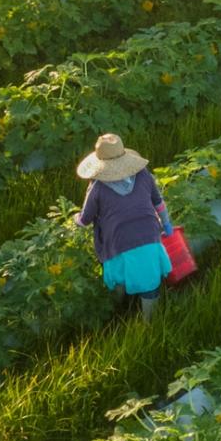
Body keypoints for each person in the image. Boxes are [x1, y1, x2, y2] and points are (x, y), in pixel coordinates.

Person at [75, 133, 175, 320]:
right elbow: (159, 203)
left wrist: (76, 220)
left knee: (119, 275)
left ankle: (118, 308)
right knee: (149, 280)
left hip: (117, 241)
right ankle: (150, 321)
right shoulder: (143, 174)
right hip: (149, 236)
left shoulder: (97, 187)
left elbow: (85, 219)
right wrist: (166, 223)